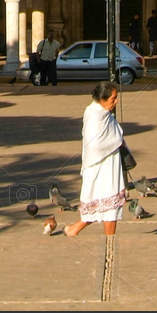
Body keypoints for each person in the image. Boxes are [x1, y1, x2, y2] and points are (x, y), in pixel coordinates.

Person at [65, 81, 125, 238]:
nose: (116, 101)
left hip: (109, 163)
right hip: (99, 166)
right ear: (102, 99)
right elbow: (95, 145)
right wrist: (116, 139)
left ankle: (74, 229)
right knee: (108, 204)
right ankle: (109, 240)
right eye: (113, 99)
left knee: (106, 203)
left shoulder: (103, 114)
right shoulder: (94, 115)